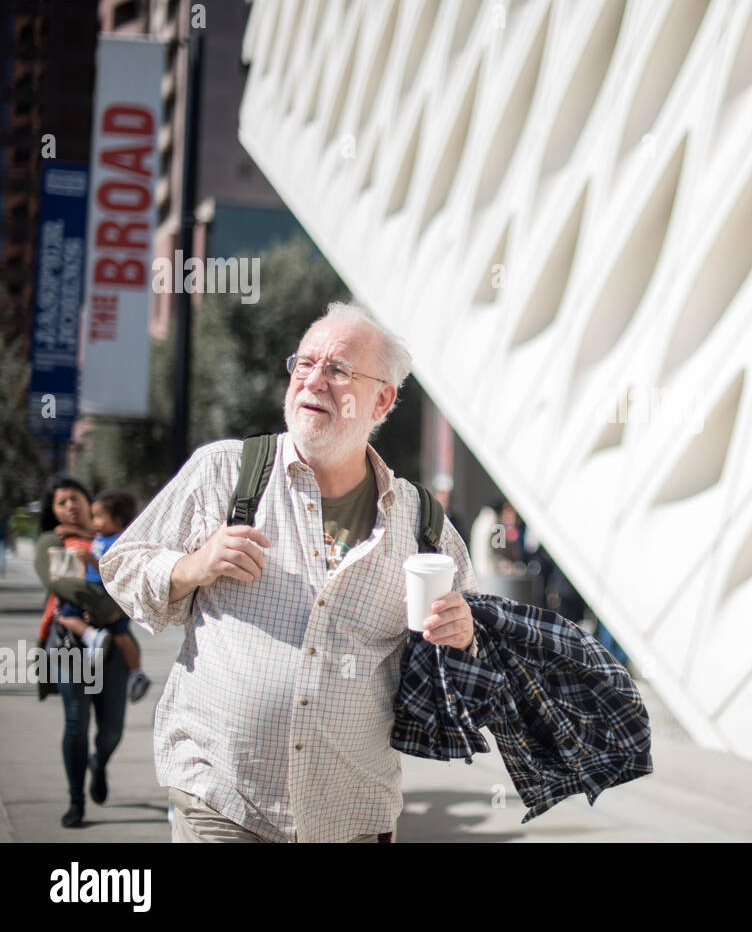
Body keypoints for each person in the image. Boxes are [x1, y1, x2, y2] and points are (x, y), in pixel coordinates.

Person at [100, 301, 480, 843]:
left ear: (383, 399)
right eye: (304, 363)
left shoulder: (422, 522)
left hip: (351, 815)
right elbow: (122, 563)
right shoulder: (225, 471)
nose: (313, 380)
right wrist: (192, 565)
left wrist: (463, 633)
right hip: (222, 799)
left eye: (338, 370)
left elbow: (476, 648)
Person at [33, 478, 130, 828]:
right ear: (53, 511)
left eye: (75, 498)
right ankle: (75, 800)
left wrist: (119, 607)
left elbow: (135, 581)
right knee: (76, 721)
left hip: (113, 645)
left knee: (112, 730)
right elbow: (61, 583)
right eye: (61, 503)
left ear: (90, 502)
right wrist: (109, 607)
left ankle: (98, 762)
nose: (70, 507)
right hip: (68, 644)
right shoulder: (51, 541)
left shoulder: (119, 539)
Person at [56, 489, 152, 703]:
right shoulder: (104, 536)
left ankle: (94, 638)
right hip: (103, 595)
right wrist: (76, 532)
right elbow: (91, 535)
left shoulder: (119, 542)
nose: (94, 522)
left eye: (99, 516)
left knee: (66, 615)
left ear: (118, 520)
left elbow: (113, 570)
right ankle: (136, 672)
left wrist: (90, 559)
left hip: (103, 592)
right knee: (121, 634)